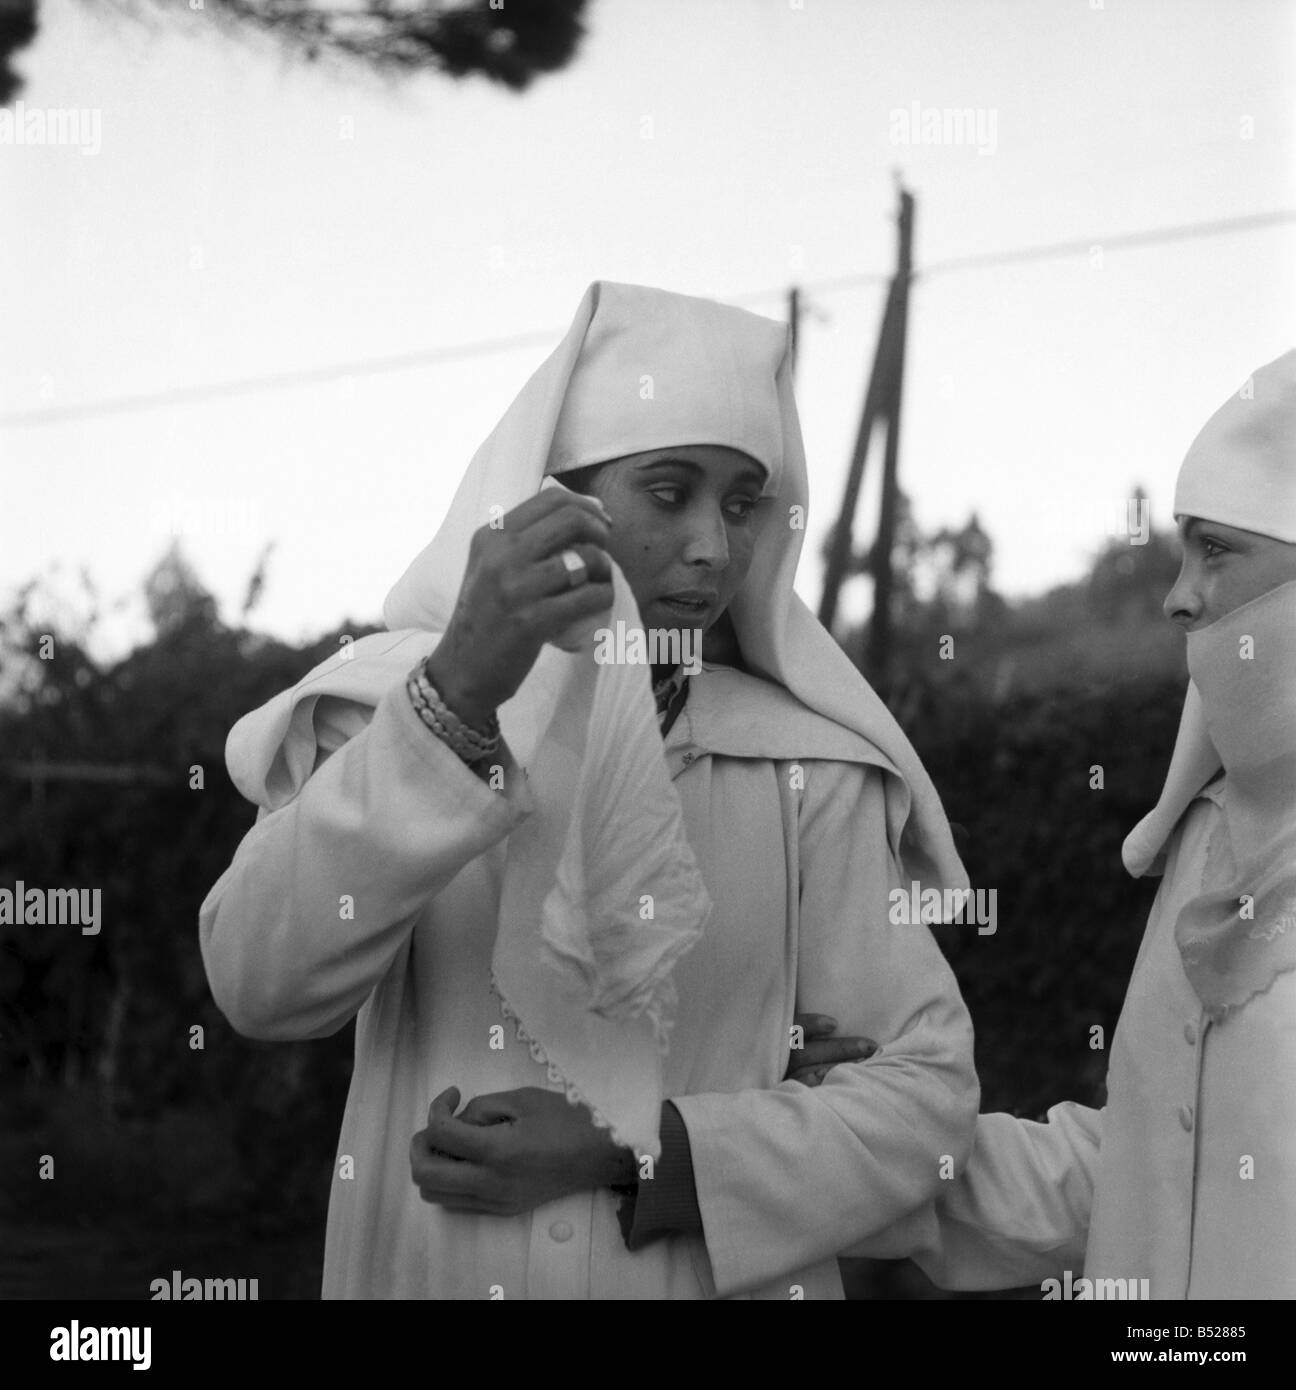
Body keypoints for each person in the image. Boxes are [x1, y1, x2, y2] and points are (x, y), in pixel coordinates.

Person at [198, 280, 978, 1300]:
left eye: (743, 503)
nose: (714, 545)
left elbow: (925, 1101)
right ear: (551, 499)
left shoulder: (805, 772)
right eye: (670, 491)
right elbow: (259, 982)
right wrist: (456, 699)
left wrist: (648, 1151)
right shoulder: (389, 713)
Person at [830, 349, 1296, 1298]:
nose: (1175, 594)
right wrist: (855, 1144)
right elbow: (1137, 1165)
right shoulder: (1208, 837)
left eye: (1216, 547)